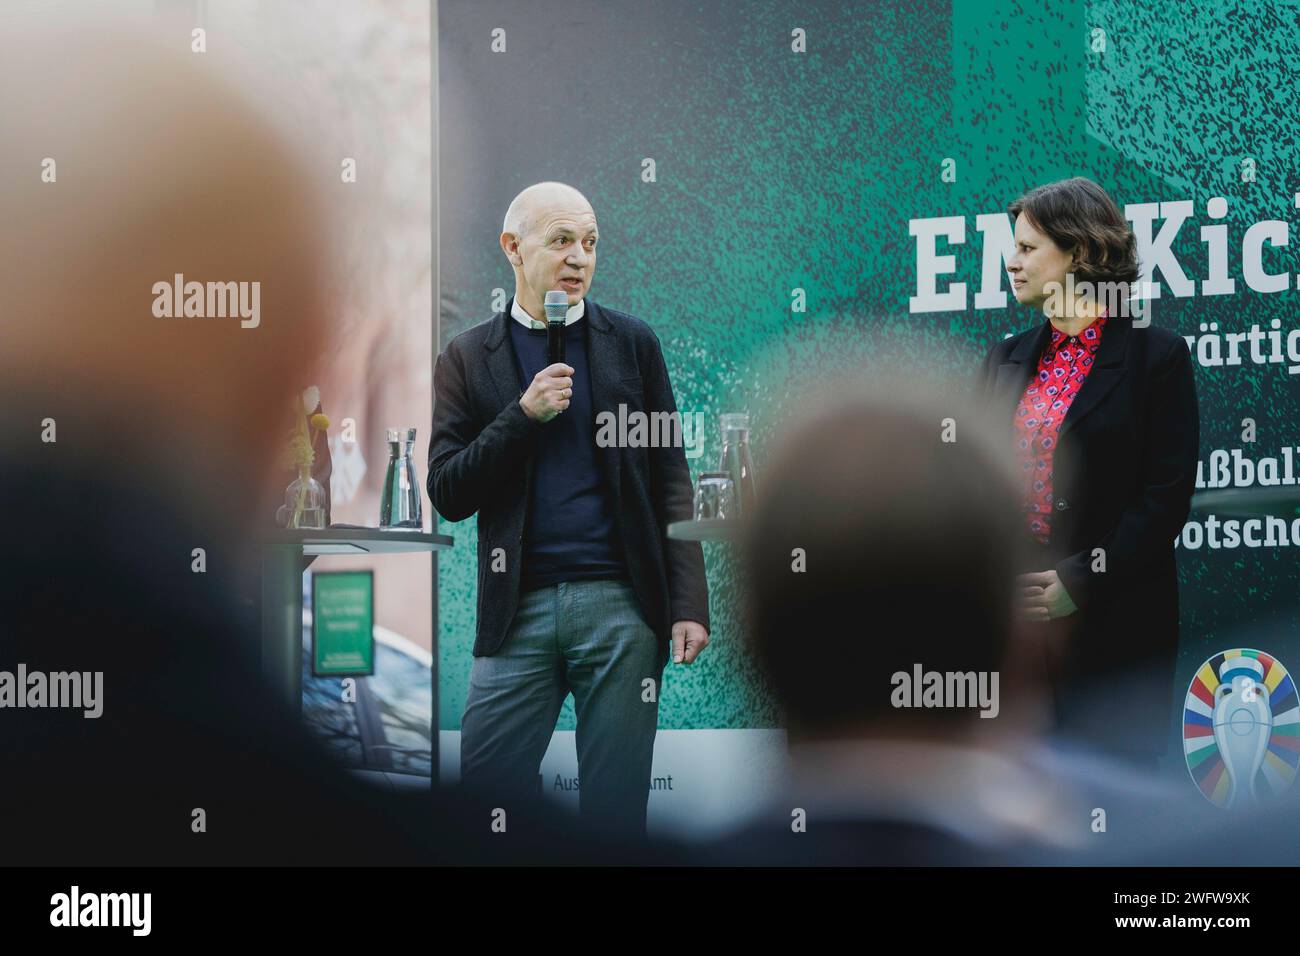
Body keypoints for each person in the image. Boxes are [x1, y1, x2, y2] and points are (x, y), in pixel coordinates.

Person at [426, 182, 710, 837]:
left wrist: (689, 601)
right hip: (515, 611)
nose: (579, 257)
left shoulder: (632, 344)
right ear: (512, 248)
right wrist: (521, 417)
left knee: (616, 815)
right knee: (485, 803)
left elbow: (671, 476)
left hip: (622, 610)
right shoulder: (468, 357)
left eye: (590, 243)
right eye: (561, 241)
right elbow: (448, 490)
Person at [974, 176, 1200, 768]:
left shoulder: (1158, 357)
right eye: (1013, 247)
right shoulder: (1002, 360)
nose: (1011, 262)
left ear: (1081, 254)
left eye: (1028, 249)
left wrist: (1079, 582)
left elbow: (1164, 499)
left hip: (1118, 630)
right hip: (1015, 640)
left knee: (1117, 809)